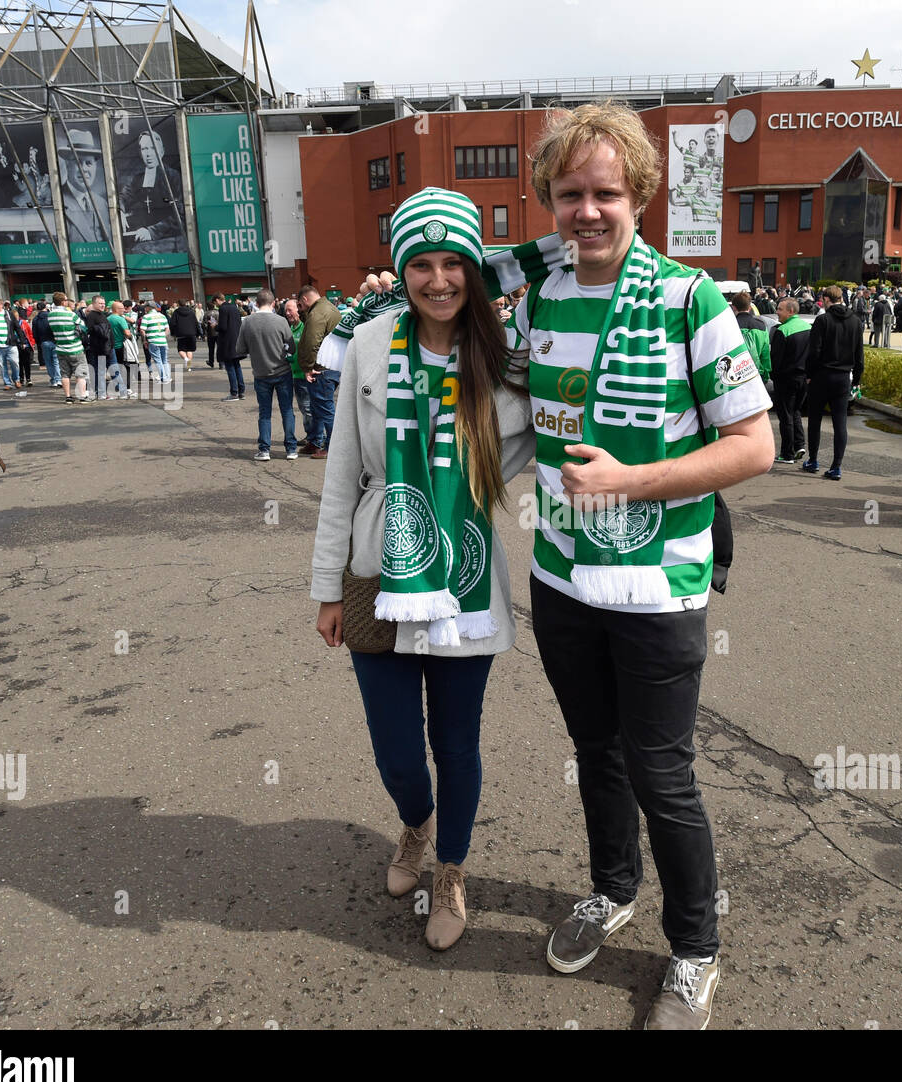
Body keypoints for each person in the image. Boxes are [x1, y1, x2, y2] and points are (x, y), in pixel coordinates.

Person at [516, 102, 772, 1030]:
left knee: (664, 773)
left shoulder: (688, 299)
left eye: (607, 193)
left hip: (659, 582)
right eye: (571, 192)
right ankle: (612, 889)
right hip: (560, 578)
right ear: (550, 197)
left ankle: (696, 947)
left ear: (640, 196)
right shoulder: (538, 297)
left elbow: (755, 444)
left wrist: (638, 480)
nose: (588, 210)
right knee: (597, 755)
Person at [312, 187, 537, 952]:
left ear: (475, 271)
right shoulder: (371, 344)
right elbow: (343, 472)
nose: (438, 280)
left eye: (454, 265)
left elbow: (567, 437)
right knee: (395, 748)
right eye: (421, 265)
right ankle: (416, 822)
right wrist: (326, 587)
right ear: (401, 271)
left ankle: (451, 867)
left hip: (468, 579)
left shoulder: (508, 360)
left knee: (458, 743)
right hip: (379, 568)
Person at [803, 285, 863, 480]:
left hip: (822, 375)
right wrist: (858, 380)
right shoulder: (855, 321)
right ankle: (836, 466)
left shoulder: (823, 320)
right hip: (843, 377)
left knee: (815, 419)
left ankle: (813, 460)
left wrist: (809, 374)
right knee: (840, 423)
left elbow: (814, 351)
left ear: (827, 299)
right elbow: (859, 355)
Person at [236, 289, 297, 461]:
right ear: (273, 303)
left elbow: (239, 349)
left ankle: (264, 450)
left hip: (261, 373)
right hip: (282, 371)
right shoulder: (281, 321)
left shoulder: (247, 322)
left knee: (264, 413)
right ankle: (291, 449)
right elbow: (291, 348)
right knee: (287, 410)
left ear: (256, 303)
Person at [297, 284, 342, 460]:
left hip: (321, 369)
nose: (300, 309)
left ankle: (331, 447)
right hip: (330, 367)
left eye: (300, 305)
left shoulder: (317, 313)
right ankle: (315, 441)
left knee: (325, 409)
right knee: (318, 408)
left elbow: (311, 343)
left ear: (304, 300)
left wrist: (308, 367)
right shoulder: (329, 308)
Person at [770, 296, 810, 462]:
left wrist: (773, 376)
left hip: (786, 379)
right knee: (795, 412)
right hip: (804, 379)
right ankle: (799, 445)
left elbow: (776, 360)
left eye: (780, 309)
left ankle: (787, 454)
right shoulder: (808, 327)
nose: (777, 312)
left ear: (791, 311)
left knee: (786, 415)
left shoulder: (782, 331)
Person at [47, 291, 89, 403]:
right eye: (66, 300)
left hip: (61, 348)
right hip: (75, 348)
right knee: (80, 374)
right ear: (62, 302)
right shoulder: (71, 314)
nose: (67, 301)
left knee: (65, 374)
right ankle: (83, 397)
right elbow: (83, 326)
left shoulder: (50, 316)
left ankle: (68, 397)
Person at [282, 298, 312, 450]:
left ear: (298, 311)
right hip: (294, 375)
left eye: (290, 310)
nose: (287, 313)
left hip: (304, 375)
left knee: (308, 408)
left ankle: (314, 438)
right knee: (303, 408)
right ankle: (311, 436)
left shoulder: (305, 327)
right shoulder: (289, 329)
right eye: (286, 310)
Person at [213, 294, 244, 400]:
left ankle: (234, 392)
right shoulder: (234, 307)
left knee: (230, 367)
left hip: (227, 341)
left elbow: (223, 326)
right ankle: (241, 392)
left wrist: (215, 326)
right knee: (237, 366)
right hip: (237, 339)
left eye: (215, 303)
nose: (215, 305)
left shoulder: (223, 309)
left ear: (217, 300)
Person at [139, 302, 171, 384]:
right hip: (163, 341)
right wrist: (162, 336)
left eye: (146, 307)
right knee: (165, 360)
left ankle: (163, 378)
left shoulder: (146, 317)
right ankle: (167, 377)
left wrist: (145, 340)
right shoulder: (162, 316)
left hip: (153, 341)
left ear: (149, 308)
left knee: (158, 360)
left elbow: (142, 330)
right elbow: (167, 330)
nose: (145, 309)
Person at [169, 299, 199, 374]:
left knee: (181, 349)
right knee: (189, 350)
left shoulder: (176, 312)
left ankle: (185, 359)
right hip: (191, 333)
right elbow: (196, 323)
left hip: (181, 333)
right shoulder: (191, 312)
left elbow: (172, 323)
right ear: (186, 304)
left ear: (178, 304)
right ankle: (189, 367)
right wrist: (198, 333)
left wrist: (173, 333)